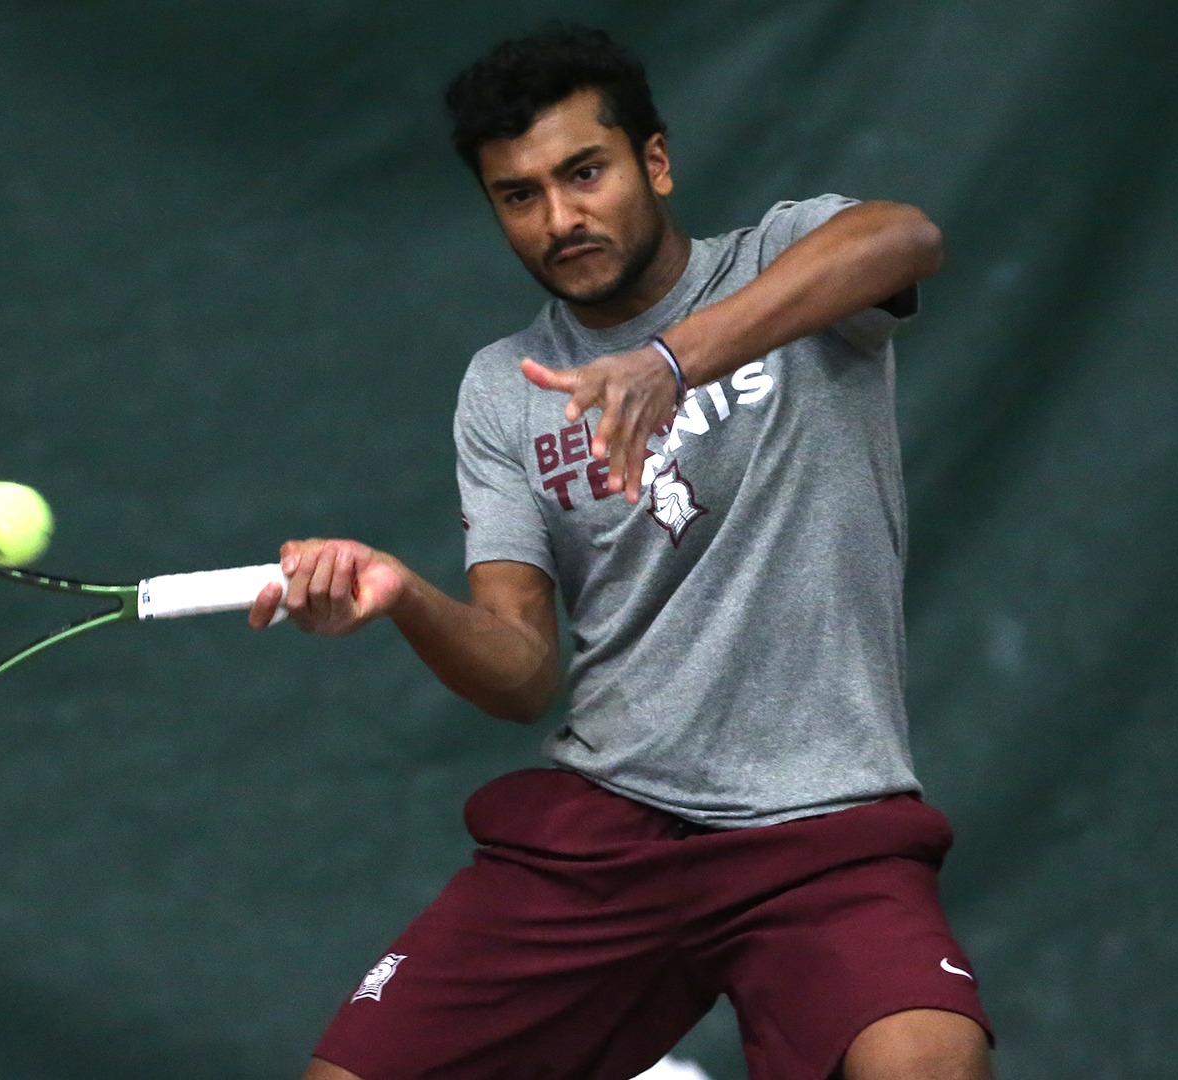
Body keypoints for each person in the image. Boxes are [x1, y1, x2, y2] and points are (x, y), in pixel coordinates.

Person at [248, 24, 993, 1080]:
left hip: (826, 828)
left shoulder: (786, 259)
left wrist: (667, 363)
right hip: (607, 832)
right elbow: (520, 672)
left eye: (583, 172)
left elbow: (906, 239)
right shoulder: (504, 389)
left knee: (930, 1068)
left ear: (655, 162)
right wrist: (404, 596)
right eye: (518, 195)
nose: (560, 218)